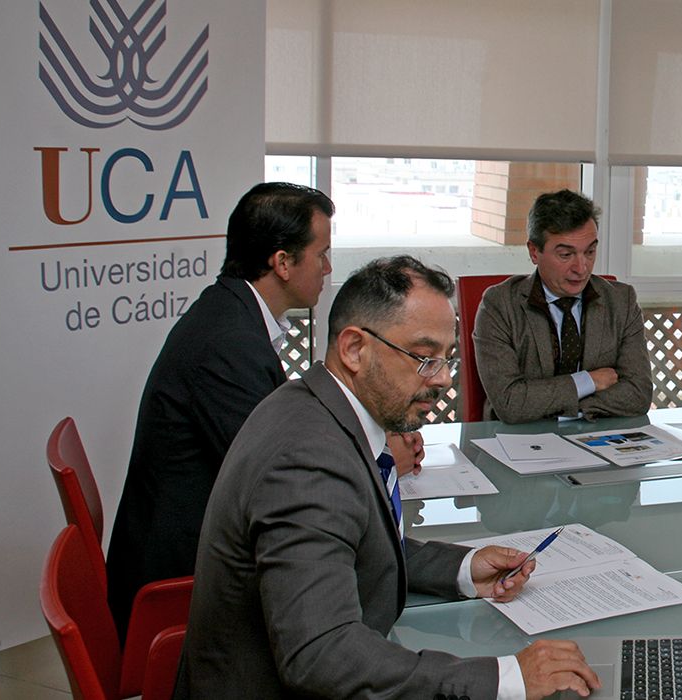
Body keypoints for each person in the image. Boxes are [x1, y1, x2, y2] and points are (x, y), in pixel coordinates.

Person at [173, 256, 600, 700]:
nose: (444, 379)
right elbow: (323, 654)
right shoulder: (308, 461)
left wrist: (462, 569)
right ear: (354, 349)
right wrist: (503, 678)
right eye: (425, 358)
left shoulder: (314, 408)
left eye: (447, 358)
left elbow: (353, 541)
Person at [105, 183, 344, 638]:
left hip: (186, 548)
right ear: (282, 262)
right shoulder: (229, 342)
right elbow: (278, 477)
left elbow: (283, 433)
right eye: (322, 255)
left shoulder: (230, 311)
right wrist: (368, 457)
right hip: (179, 585)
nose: (328, 268)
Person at [473, 189, 652, 423]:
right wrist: (589, 382)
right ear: (534, 252)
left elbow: (638, 394)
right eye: (566, 255)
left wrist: (553, 405)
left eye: (590, 252)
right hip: (519, 439)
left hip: (595, 434)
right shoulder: (500, 305)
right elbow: (510, 404)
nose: (581, 268)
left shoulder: (621, 301)